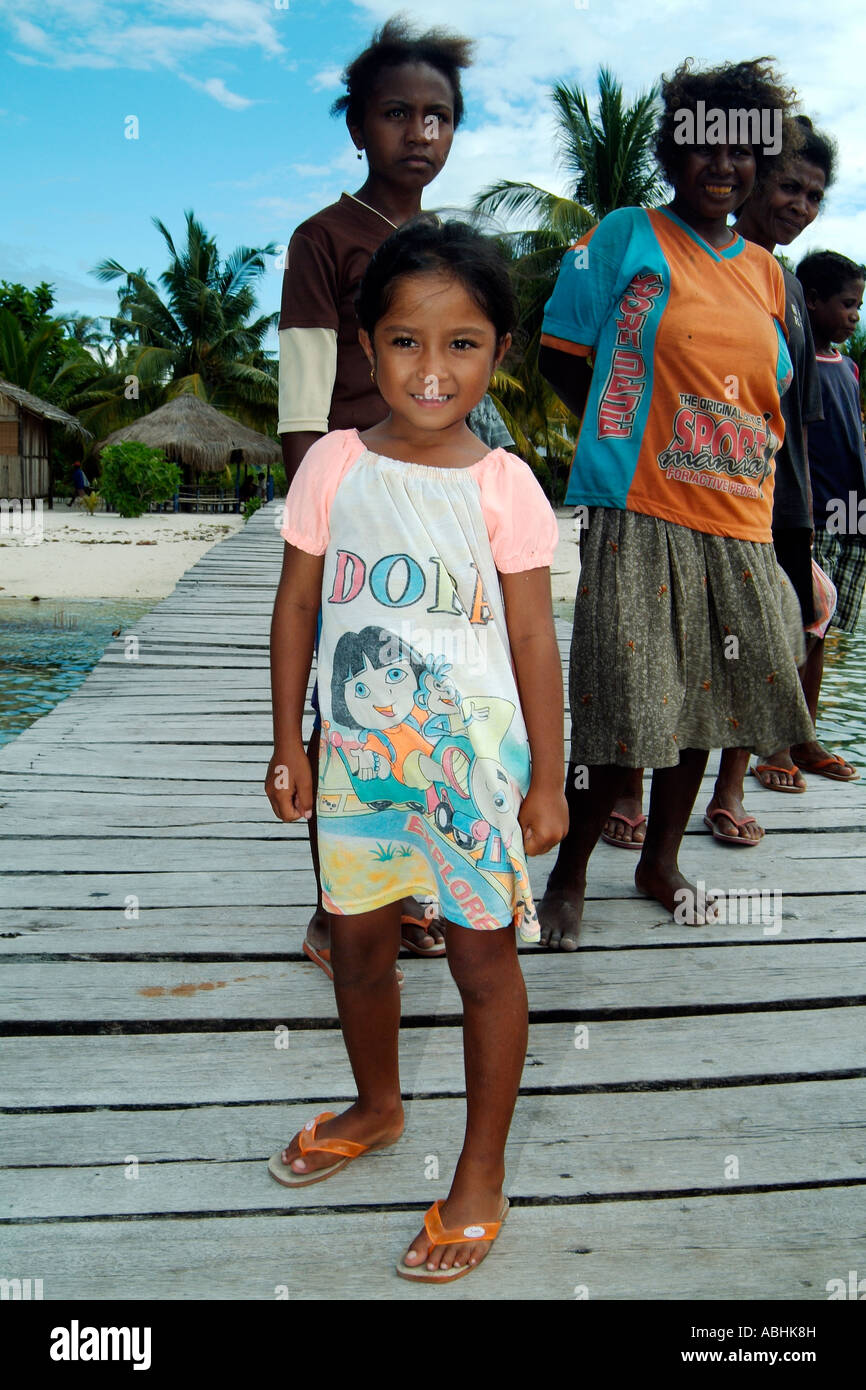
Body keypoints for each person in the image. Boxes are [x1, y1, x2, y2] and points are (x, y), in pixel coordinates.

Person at [265, 217, 567, 1281]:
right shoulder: (332, 467)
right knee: (356, 942)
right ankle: (377, 1102)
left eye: (461, 344)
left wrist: (547, 779)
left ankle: (479, 1168)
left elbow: (531, 635)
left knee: (482, 958)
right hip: (353, 759)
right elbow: (296, 607)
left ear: (498, 353)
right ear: (364, 342)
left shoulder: (506, 486)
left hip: (470, 768)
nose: (430, 371)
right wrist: (287, 743)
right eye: (403, 341)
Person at [537, 57, 815, 949]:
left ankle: (661, 860)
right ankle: (569, 875)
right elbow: (560, 352)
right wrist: (626, 437)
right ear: (672, 150)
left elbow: (775, 406)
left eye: (743, 153)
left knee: (706, 704)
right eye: (703, 146)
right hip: (637, 509)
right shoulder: (623, 235)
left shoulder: (771, 276)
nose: (722, 167)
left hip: (738, 522)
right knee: (621, 710)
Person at [277, 16, 510, 974]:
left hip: (445, 496)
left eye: (440, 117)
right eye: (398, 114)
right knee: (347, 690)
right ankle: (339, 905)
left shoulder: (450, 248)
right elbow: (303, 388)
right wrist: (319, 505)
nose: (422, 133)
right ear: (358, 128)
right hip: (355, 491)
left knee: (421, 688)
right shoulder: (325, 239)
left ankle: (410, 879)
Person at [605, 116, 842, 843]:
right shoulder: (669, 256)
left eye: (813, 195)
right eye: (786, 185)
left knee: (757, 649)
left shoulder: (786, 286)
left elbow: (788, 413)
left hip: (772, 498)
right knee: (646, 649)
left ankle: (729, 791)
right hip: (667, 489)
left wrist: (797, 508)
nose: (796, 204)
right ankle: (626, 793)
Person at [799, 249, 866, 723]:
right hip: (815, 514)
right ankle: (779, 743)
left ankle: (808, 730)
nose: (855, 316)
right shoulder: (800, 366)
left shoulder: (846, 366)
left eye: (858, 306)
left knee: (824, 631)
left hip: (852, 514)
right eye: (847, 304)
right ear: (814, 302)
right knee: (802, 627)